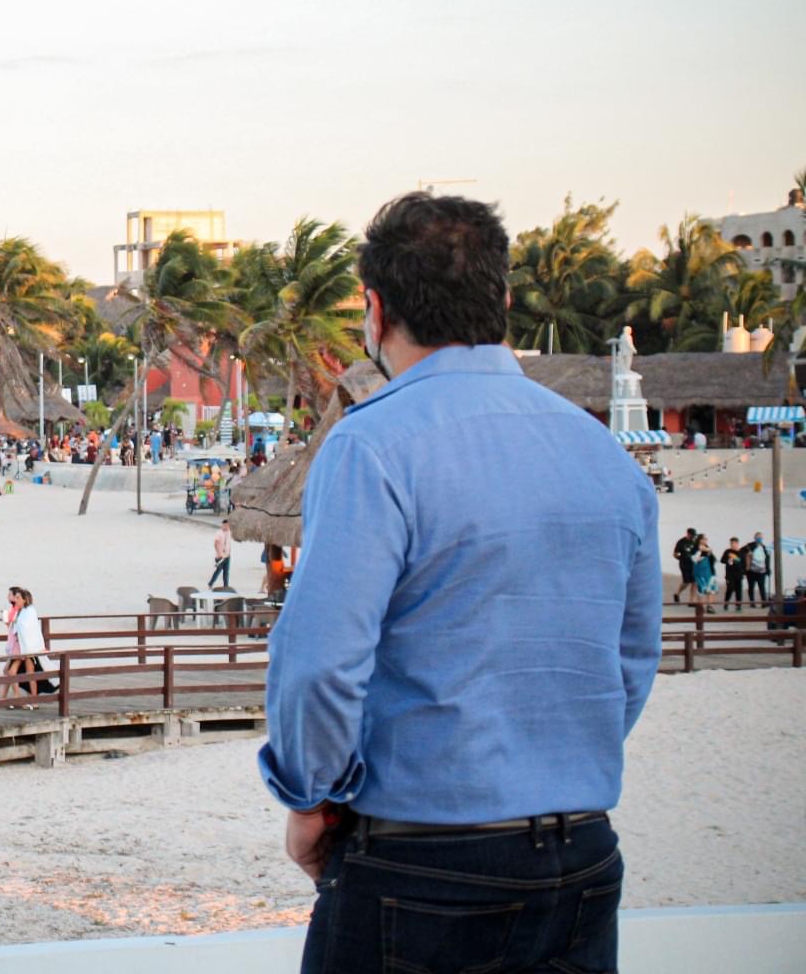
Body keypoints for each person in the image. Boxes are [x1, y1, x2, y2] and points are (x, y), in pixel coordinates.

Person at [258, 192, 660, 973]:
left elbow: (319, 660)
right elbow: (628, 663)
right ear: (503, 302)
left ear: (374, 310)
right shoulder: (607, 456)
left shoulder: (372, 444)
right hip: (579, 852)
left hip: (422, 861)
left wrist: (309, 798)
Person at [672, 527, 698, 604]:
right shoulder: (681, 542)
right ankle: (677, 593)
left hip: (693, 564)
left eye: (694, 536)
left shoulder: (694, 542)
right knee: (686, 582)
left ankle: (692, 601)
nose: (693, 537)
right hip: (684, 564)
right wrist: (680, 558)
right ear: (688, 534)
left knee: (694, 581)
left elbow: (696, 552)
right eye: (692, 535)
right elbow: (675, 554)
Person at [691, 535, 717, 611]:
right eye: (704, 539)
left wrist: (707, 550)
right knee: (701, 589)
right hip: (700, 572)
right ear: (699, 540)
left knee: (712, 589)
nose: (705, 540)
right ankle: (700, 606)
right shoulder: (695, 549)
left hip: (710, 571)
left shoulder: (707, 548)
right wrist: (702, 552)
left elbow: (712, 556)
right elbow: (694, 559)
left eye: (706, 539)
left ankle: (710, 606)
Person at [721, 536, 747, 611]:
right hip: (729, 574)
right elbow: (722, 560)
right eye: (731, 543)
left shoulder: (741, 552)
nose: (732, 545)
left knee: (739, 590)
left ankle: (738, 605)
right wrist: (728, 560)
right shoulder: (727, 551)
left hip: (739, 574)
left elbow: (744, 564)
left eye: (734, 543)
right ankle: (726, 603)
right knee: (730, 588)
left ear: (737, 543)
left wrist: (744, 573)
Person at [745, 532, 771, 605]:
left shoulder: (764, 547)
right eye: (758, 537)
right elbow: (743, 553)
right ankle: (752, 602)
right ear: (755, 538)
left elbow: (767, 559)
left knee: (762, 587)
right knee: (751, 587)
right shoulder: (750, 546)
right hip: (751, 571)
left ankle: (764, 602)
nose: (760, 539)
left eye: (761, 537)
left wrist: (768, 569)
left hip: (762, 571)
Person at [209, 519, 233, 589]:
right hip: (220, 556)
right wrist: (219, 553)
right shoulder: (219, 533)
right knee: (218, 571)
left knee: (226, 572)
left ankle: (226, 586)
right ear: (222, 525)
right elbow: (215, 544)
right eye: (225, 525)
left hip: (227, 556)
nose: (226, 527)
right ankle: (211, 583)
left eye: (228, 525)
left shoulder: (229, 532)